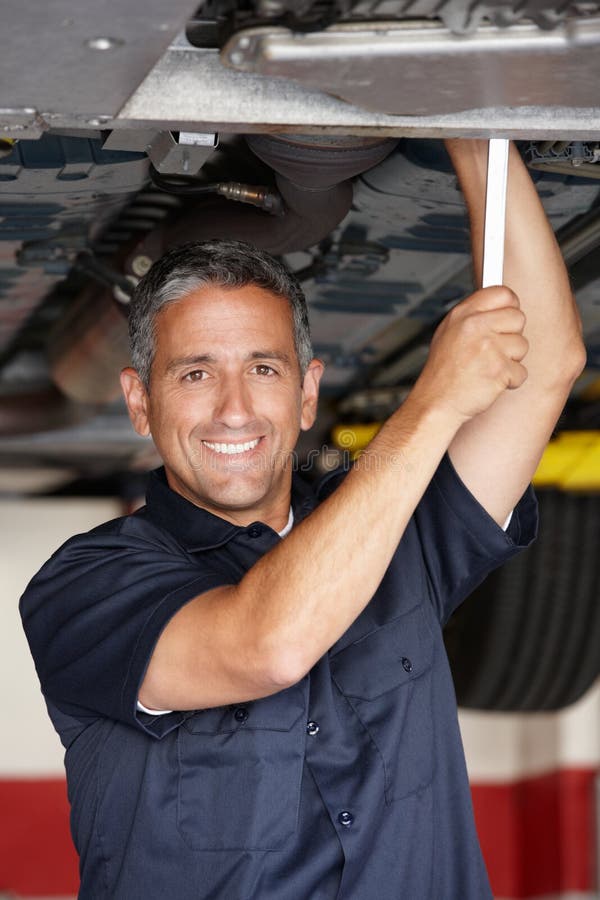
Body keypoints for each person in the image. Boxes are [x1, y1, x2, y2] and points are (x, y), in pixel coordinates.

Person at [20, 139, 584, 899]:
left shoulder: (397, 531)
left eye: (264, 368)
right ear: (138, 401)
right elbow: (270, 645)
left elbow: (542, 366)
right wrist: (431, 403)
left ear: (307, 393)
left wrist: (479, 134)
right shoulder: (85, 588)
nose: (235, 408)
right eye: (195, 373)